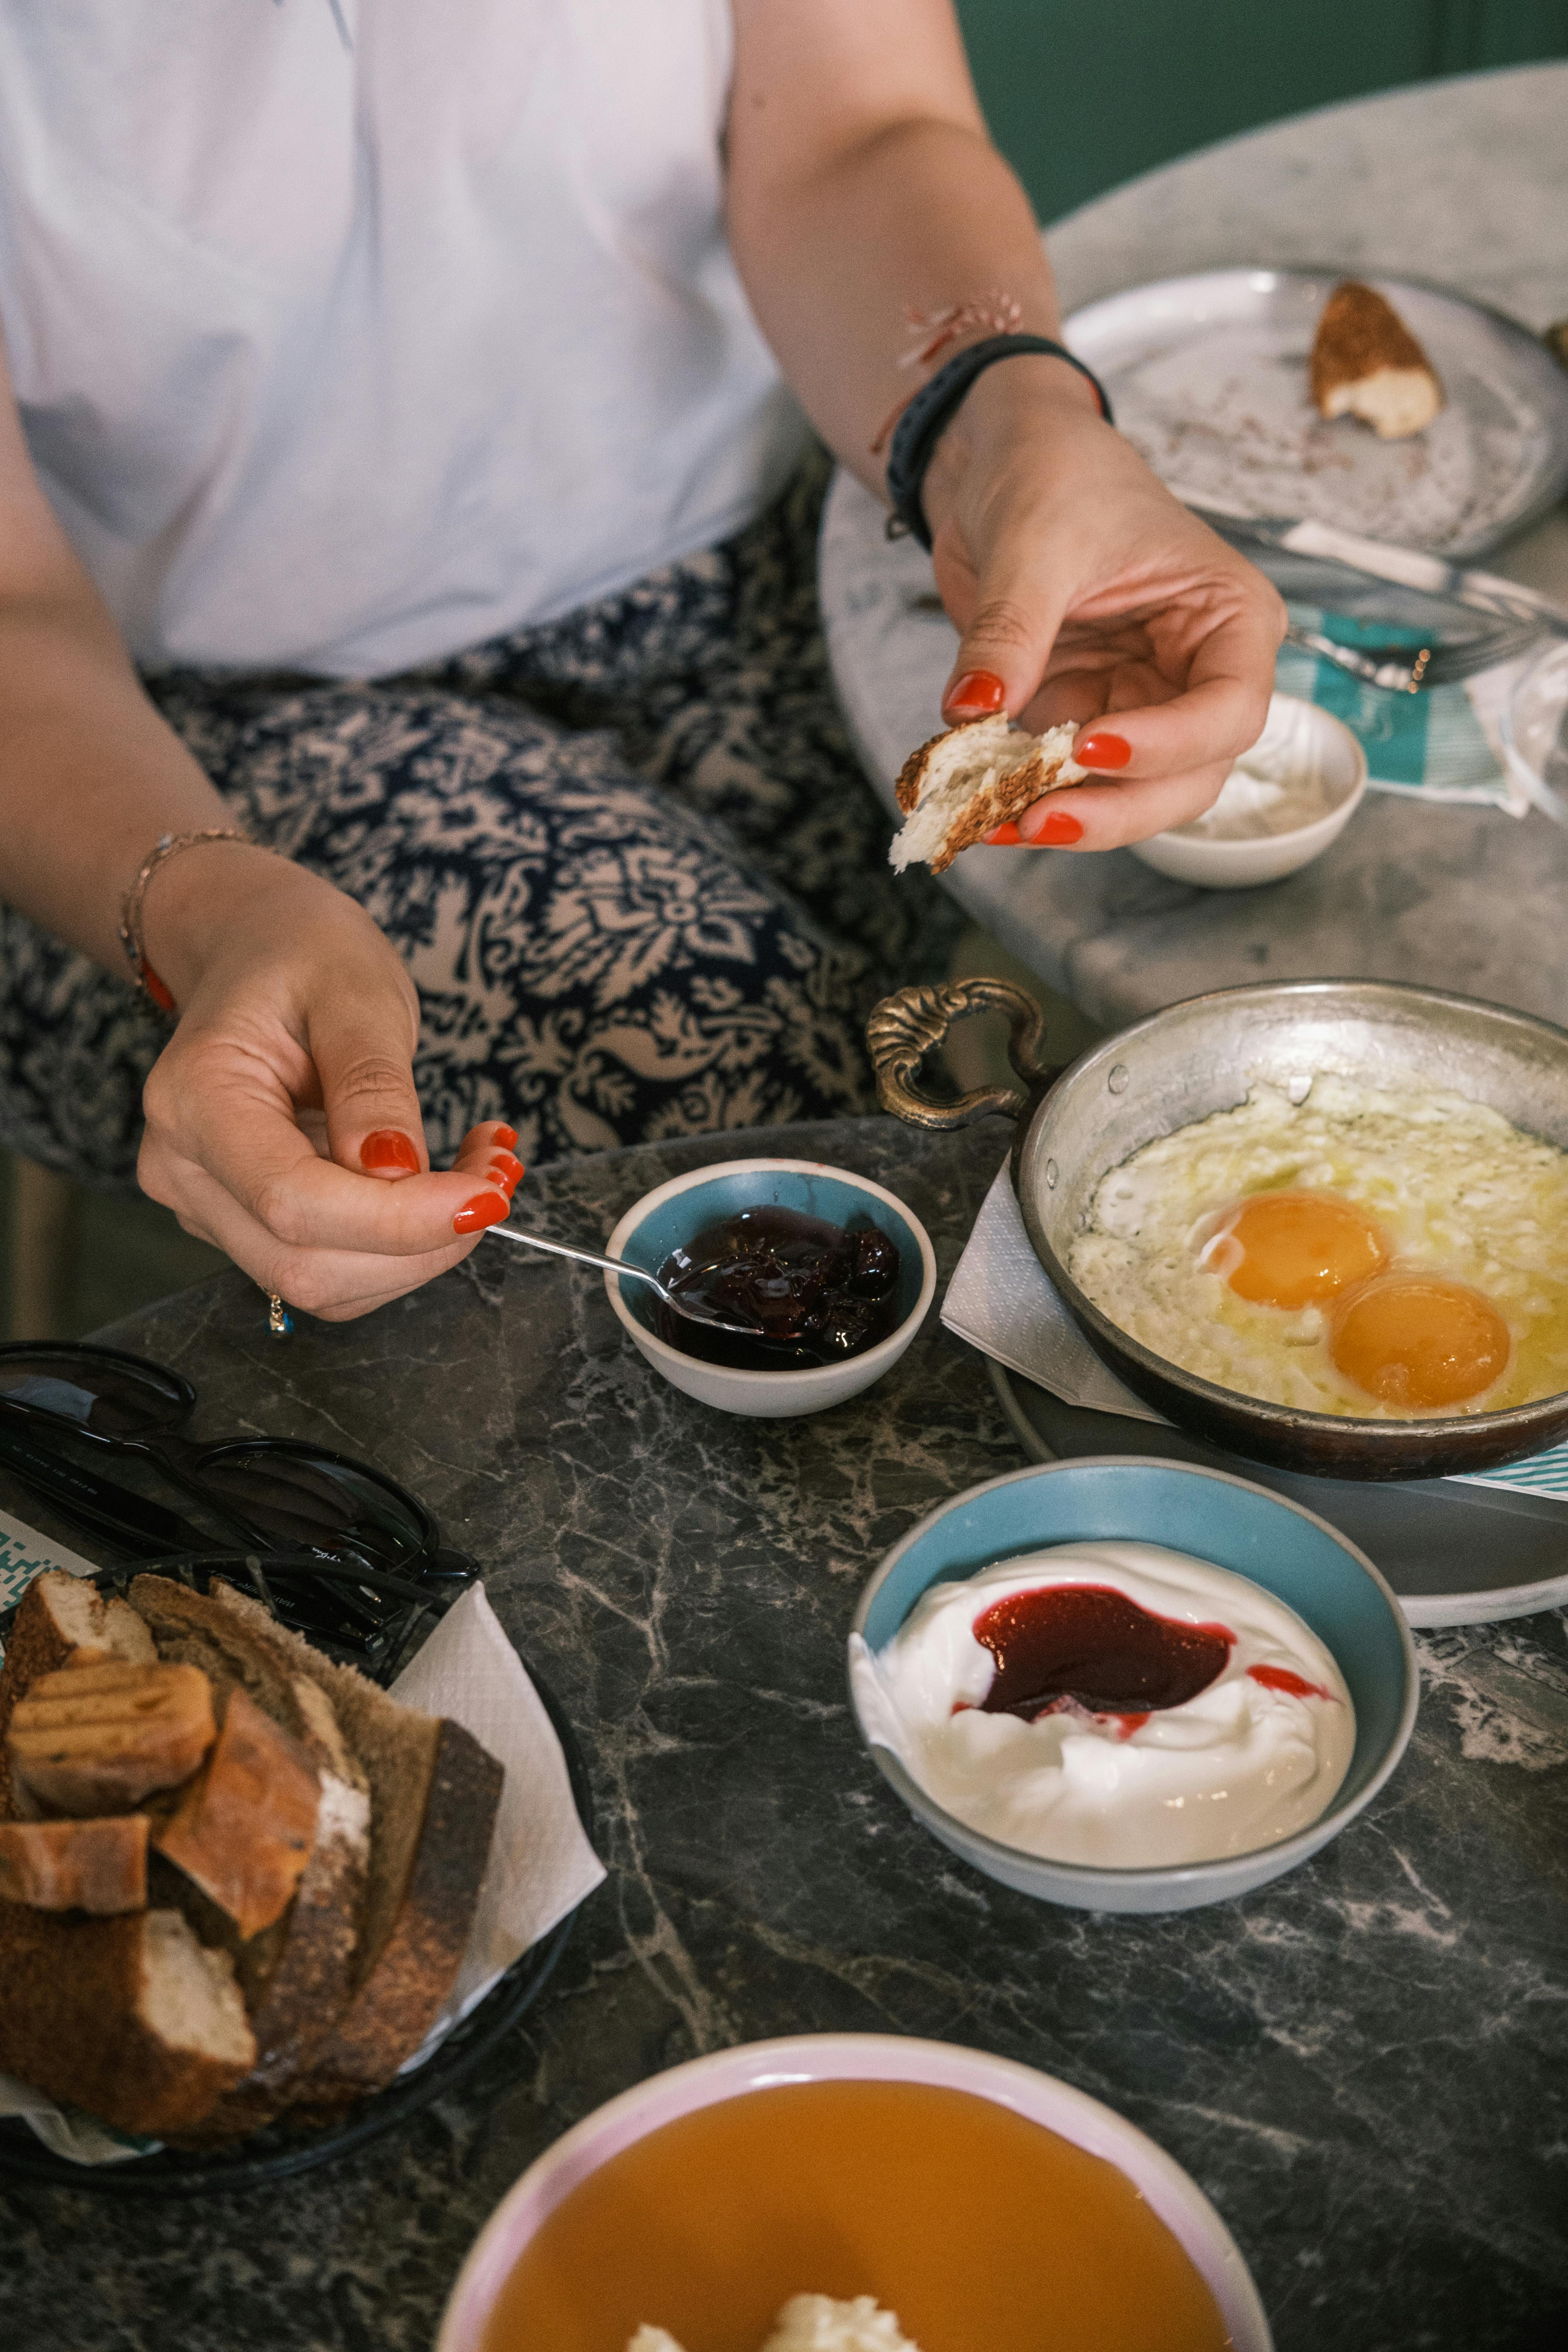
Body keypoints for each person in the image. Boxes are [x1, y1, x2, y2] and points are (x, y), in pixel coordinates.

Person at [0, 0, 1283, 1323]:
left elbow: (857, 128)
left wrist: (1003, 424)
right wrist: (206, 915)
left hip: (768, 557)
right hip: (155, 744)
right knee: (805, 1183)